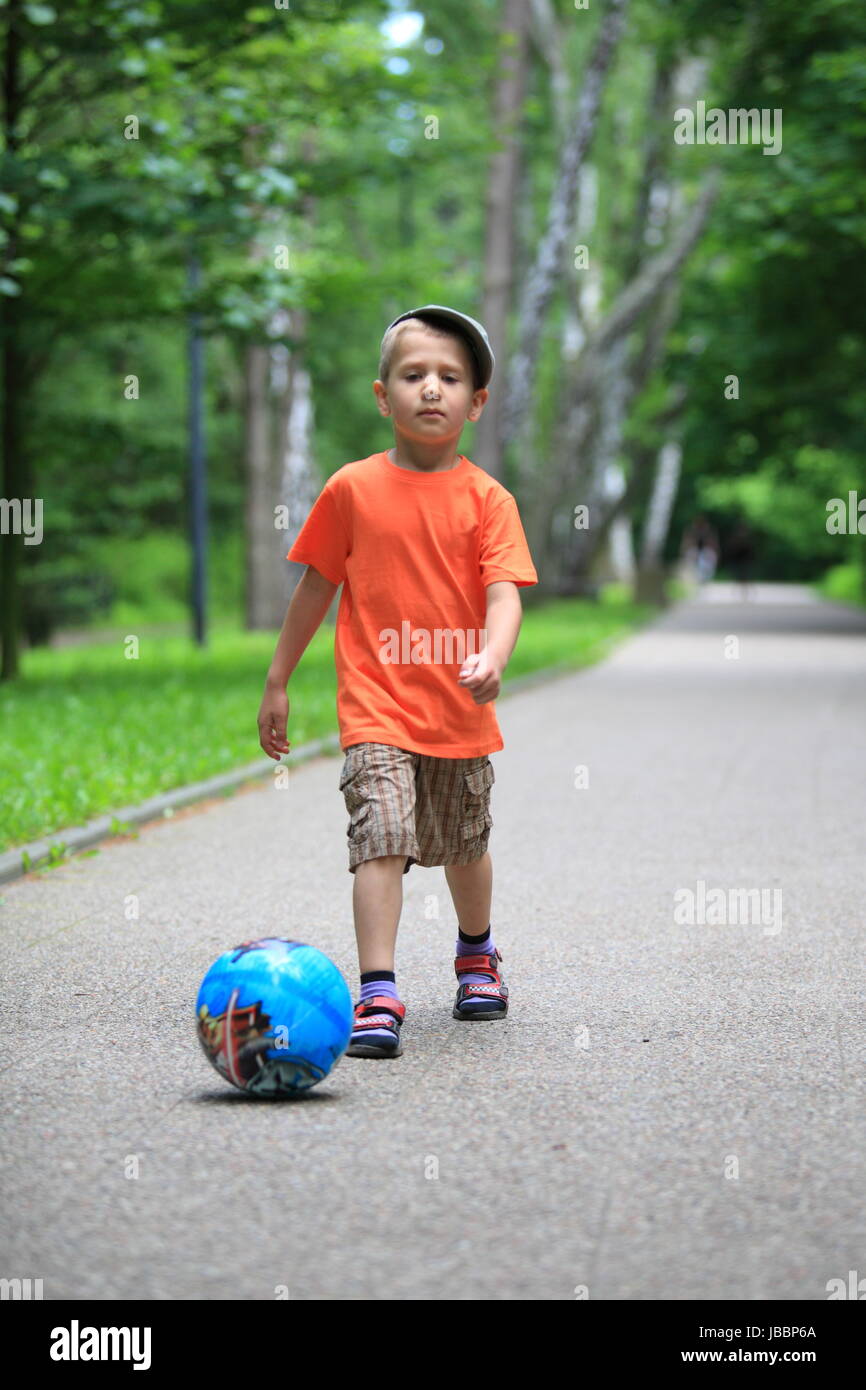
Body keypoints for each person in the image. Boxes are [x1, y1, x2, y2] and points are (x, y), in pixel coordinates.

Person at [257, 305, 538, 1058]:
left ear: (476, 403)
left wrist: (493, 656)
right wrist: (279, 678)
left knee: (462, 844)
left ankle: (476, 953)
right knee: (378, 835)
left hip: (458, 711)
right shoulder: (352, 489)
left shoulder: (488, 500)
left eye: (450, 377)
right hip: (375, 708)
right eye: (414, 375)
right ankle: (378, 991)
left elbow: (506, 590)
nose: (432, 389)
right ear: (384, 395)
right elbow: (317, 584)